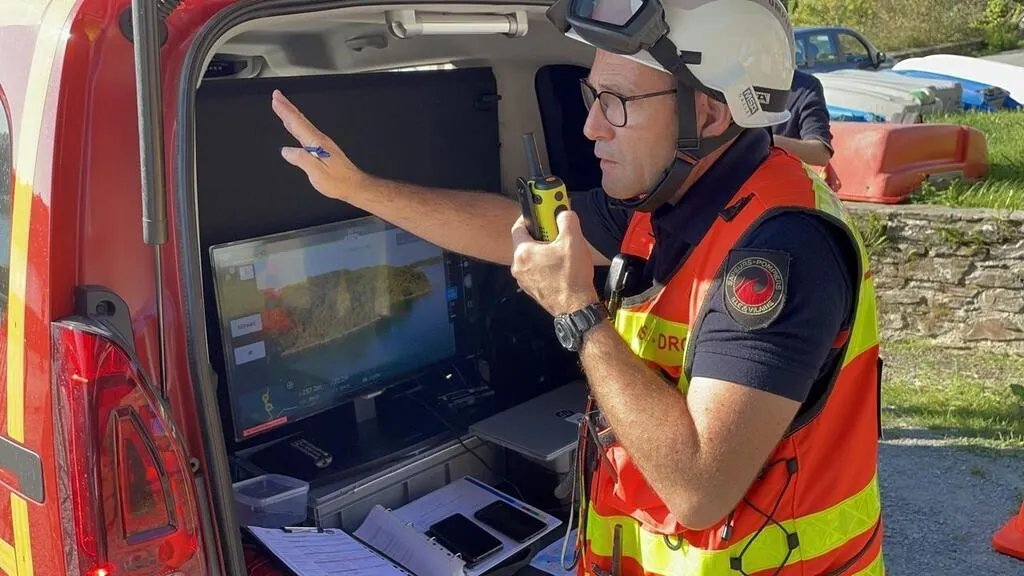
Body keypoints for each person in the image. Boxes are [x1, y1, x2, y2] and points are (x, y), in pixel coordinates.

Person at [270, 0, 884, 574]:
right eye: (592, 96)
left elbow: (699, 488)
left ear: (709, 113)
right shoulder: (670, 199)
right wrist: (358, 189)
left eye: (617, 102)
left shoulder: (780, 251)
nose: (591, 127)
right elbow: (507, 228)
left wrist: (576, 311)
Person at [771, 69, 835, 167]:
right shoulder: (744, 80)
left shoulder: (806, 86)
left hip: (782, 172)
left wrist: (768, 142)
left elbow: (821, 153)